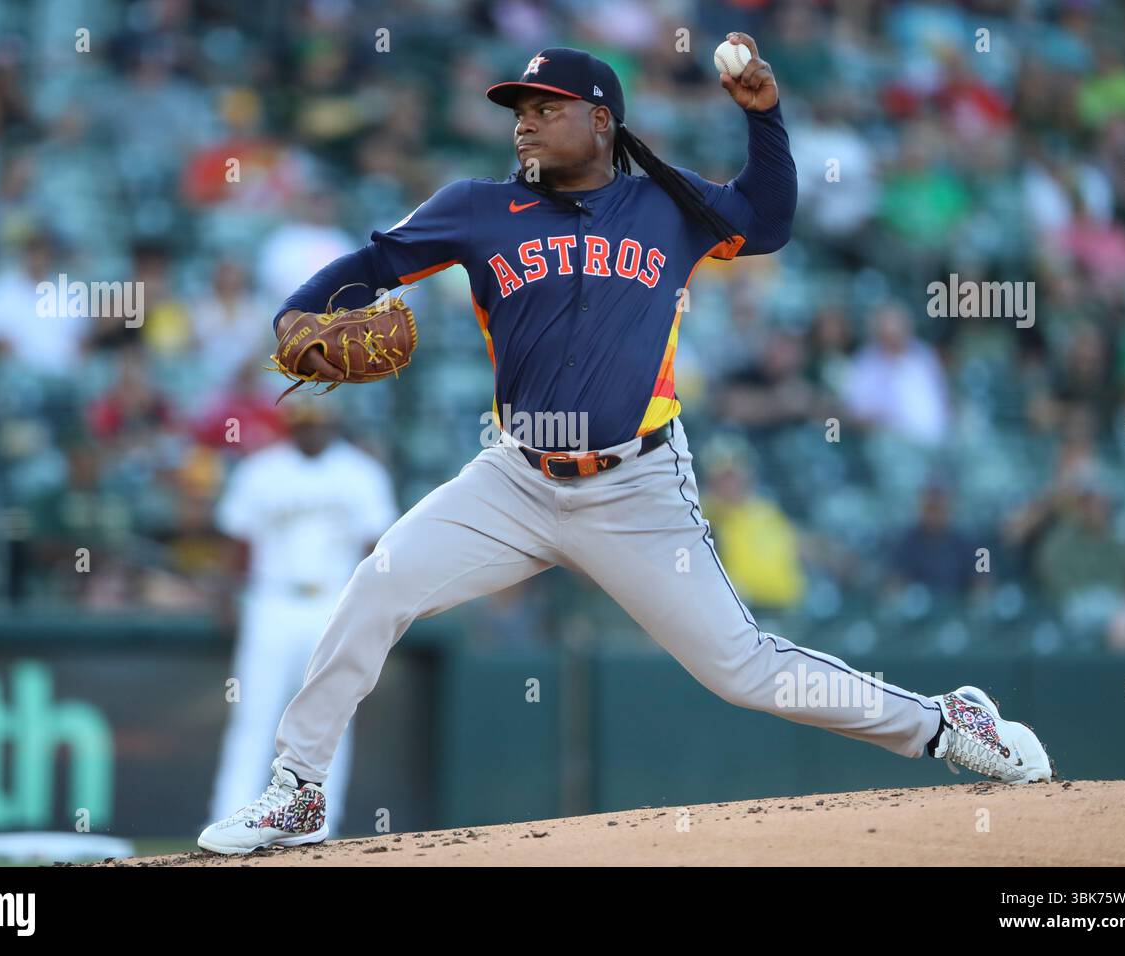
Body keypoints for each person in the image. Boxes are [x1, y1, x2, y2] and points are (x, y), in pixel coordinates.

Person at [198, 37, 1052, 856]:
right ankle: (300, 785)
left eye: (545, 107)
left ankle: (947, 724)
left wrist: (766, 119)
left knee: (743, 670)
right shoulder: (476, 207)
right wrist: (293, 320)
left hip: (636, 485)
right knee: (377, 584)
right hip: (513, 479)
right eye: (518, 109)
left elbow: (771, 222)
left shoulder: (665, 206)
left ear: (601, 121)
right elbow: (370, 264)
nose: (524, 122)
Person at [206, 399, 396, 838]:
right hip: (272, 600)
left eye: (321, 422)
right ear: (291, 425)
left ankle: (318, 823)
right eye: (305, 423)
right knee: (255, 714)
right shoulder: (262, 469)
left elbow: (378, 548)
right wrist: (225, 597)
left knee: (331, 716)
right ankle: (228, 814)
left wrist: (373, 610)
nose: (313, 430)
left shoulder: (360, 472)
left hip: (334, 602)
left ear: (334, 424)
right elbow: (236, 541)